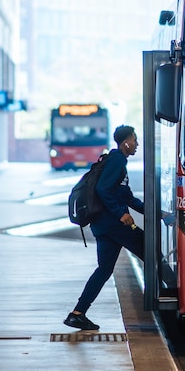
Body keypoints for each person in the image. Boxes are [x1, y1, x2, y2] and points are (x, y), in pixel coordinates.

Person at [64, 125, 145, 332]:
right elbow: (102, 189)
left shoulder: (118, 161)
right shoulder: (117, 160)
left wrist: (155, 212)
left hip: (103, 225)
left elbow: (125, 196)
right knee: (150, 251)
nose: (137, 144)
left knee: (104, 270)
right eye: (134, 140)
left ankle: (77, 314)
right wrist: (121, 214)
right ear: (126, 142)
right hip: (113, 225)